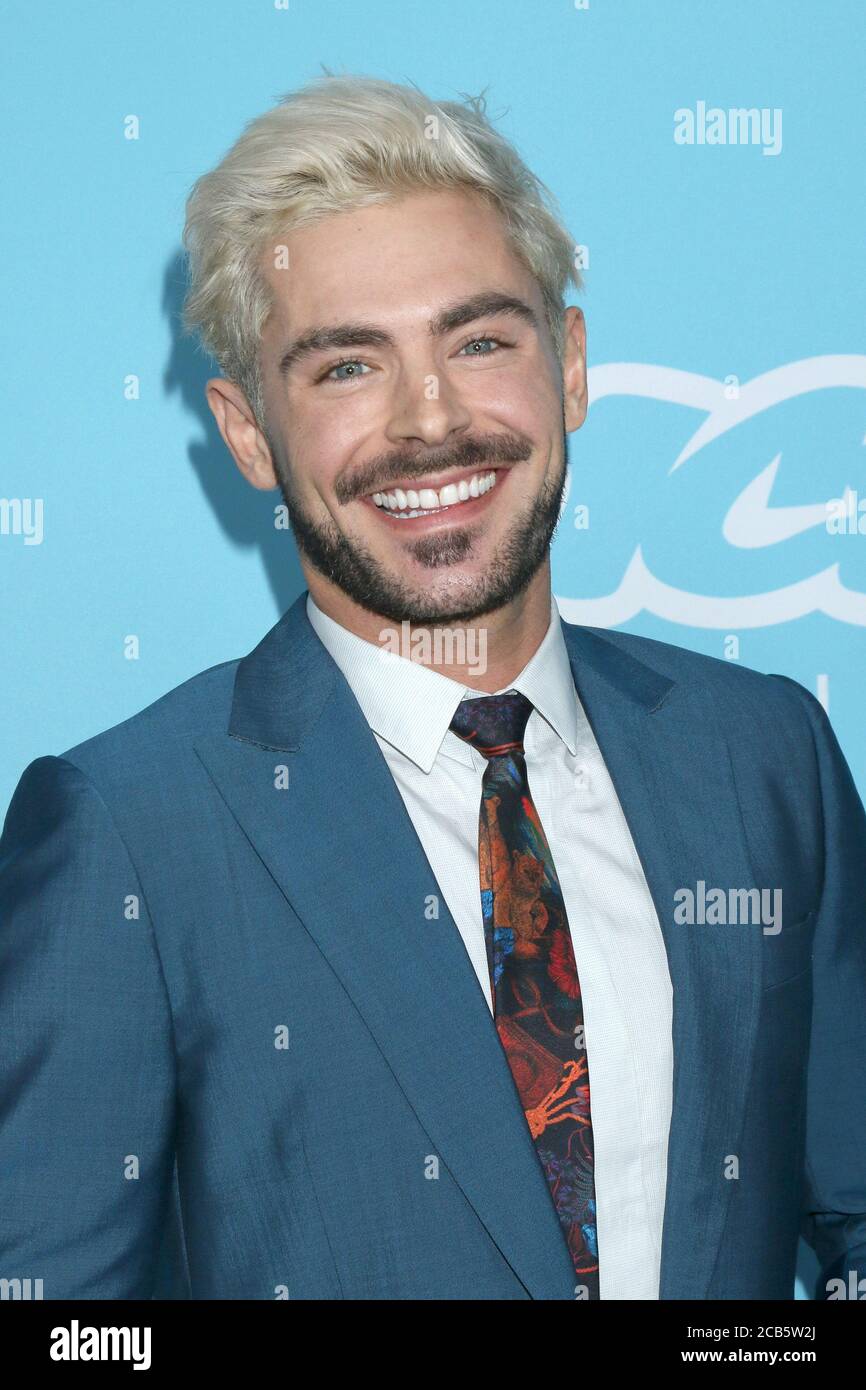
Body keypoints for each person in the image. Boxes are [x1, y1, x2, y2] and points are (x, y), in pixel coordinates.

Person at [1, 74, 864, 1301]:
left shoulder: (761, 754)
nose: (432, 420)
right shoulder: (128, 830)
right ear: (250, 436)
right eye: (348, 366)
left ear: (566, 364)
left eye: (477, 341)